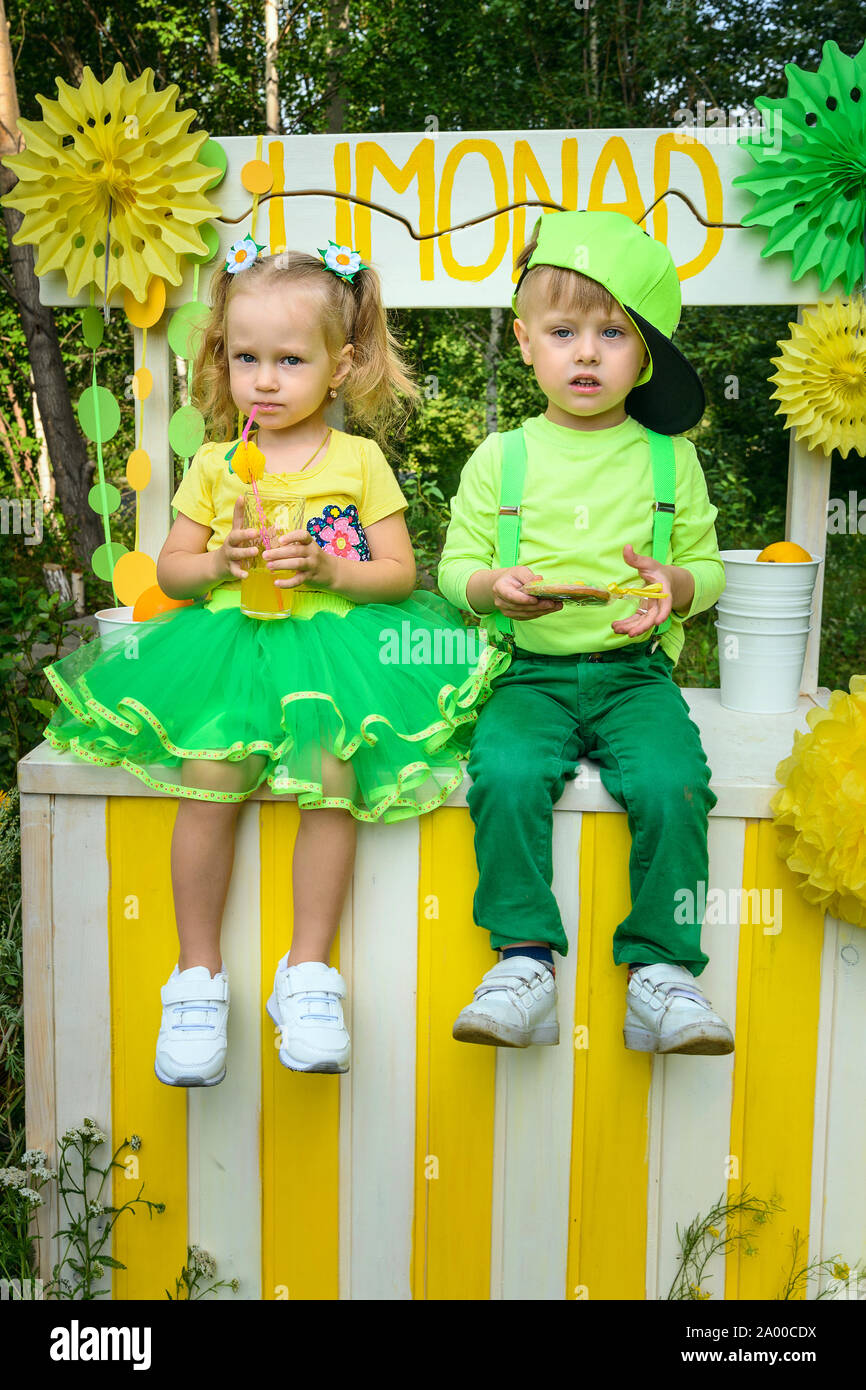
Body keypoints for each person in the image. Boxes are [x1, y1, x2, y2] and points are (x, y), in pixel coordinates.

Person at [43, 240, 508, 1086]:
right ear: (221, 361)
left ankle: (309, 975)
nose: (265, 379)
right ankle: (196, 978)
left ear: (340, 366)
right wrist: (220, 561)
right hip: (229, 648)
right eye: (245, 357)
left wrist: (334, 569)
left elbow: (400, 572)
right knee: (209, 776)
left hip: (334, 650)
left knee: (330, 778)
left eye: (290, 360)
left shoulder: (358, 462)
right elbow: (172, 571)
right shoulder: (218, 465)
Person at [438, 209, 735, 1056]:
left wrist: (674, 589)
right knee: (503, 770)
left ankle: (663, 973)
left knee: (677, 780)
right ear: (527, 342)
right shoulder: (503, 457)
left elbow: (707, 571)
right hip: (529, 674)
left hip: (636, 674)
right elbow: (452, 570)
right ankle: (523, 960)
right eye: (564, 332)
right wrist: (496, 588)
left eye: (612, 334)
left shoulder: (669, 460)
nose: (588, 353)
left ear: (644, 357)